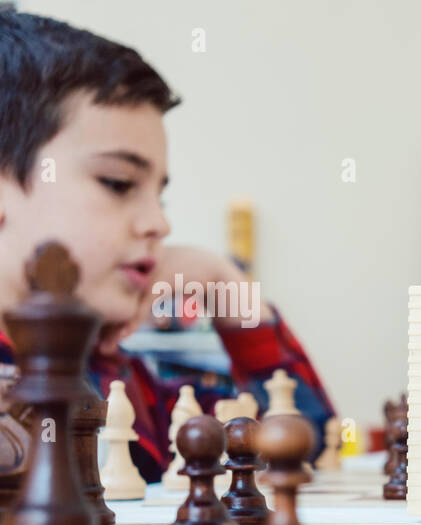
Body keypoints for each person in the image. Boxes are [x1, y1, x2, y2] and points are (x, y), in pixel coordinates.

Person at [0, 5, 334, 483]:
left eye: (160, 196)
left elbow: (300, 444)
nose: (160, 223)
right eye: (118, 183)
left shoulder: (112, 374)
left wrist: (224, 283)